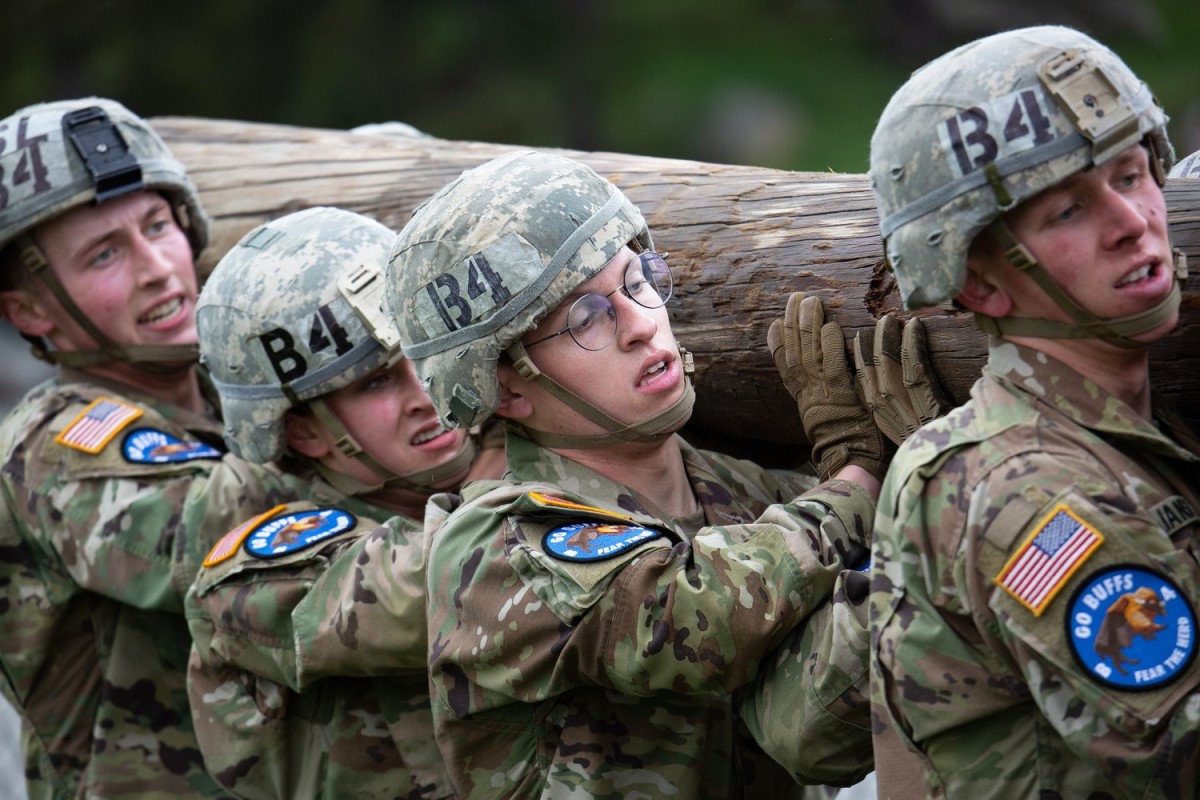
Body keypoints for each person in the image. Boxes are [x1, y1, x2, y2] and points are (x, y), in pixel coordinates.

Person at [382, 149, 898, 799]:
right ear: (506, 389)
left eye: (637, 280)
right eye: (586, 320)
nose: (639, 324)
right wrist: (859, 472)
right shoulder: (496, 543)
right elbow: (703, 612)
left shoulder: (738, 492)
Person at [866, 25, 1200, 798]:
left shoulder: (1120, 439)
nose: (1131, 220)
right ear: (978, 283)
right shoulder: (1035, 492)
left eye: (1132, 173)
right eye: (1067, 213)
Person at [0, 97, 307, 798]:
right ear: (30, 311)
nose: (157, 268)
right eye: (105, 254)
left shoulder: (230, 390)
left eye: (159, 226)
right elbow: (219, 541)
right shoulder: (52, 443)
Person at [185, 205, 501, 800]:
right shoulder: (270, 569)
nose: (421, 389)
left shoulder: (507, 446)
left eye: (418, 348)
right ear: (304, 432)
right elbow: (458, 579)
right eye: (375, 382)